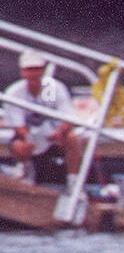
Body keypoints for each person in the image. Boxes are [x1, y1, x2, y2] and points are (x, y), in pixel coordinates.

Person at [3, 49, 83, 186]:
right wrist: (30, 138)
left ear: (43, 70)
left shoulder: (52, 88)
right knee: (20, 146)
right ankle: (25, 170)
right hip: (29, 135)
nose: (33, 74)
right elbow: (18, 127)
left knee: (72, 138)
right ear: (22, 72)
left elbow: (68, 118)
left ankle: (73, 182)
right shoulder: (14, 92)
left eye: (37, 69)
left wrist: (59, 132)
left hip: (54, 133)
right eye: (29, 69)